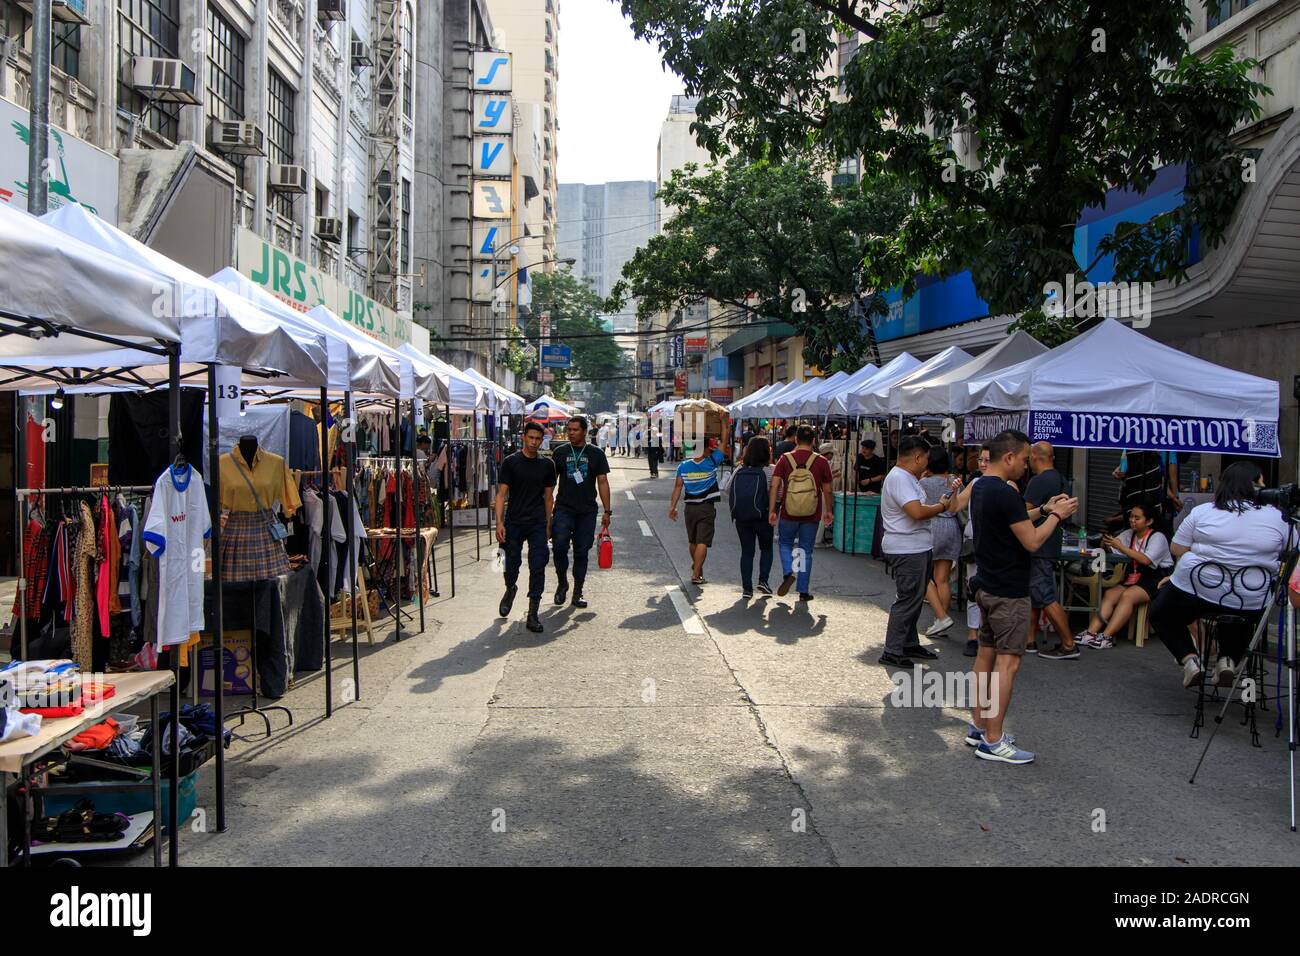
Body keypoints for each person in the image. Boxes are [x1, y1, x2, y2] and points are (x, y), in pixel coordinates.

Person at [968, 430, 1078, 764]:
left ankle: (979, 726)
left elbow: (1013, 521)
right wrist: (1056, 517)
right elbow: (1031, 541)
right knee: (1008, 662)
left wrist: (1043, 508)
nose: (1027, 466)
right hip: (1009, 592)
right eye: (1025, 458)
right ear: (1010, 457)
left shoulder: (982, 486)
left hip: (986, 585)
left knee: (985, 657)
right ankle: (994, 739)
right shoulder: (1006, 492)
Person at [1150, 461, 1291, 689]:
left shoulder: (1203, 511)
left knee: (1160, 613)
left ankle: (1189, 660)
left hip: (1198, 589)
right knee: (1239, 610)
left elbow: (1177, 549)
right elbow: (1292, 551)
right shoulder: (1279, 518)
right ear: (1253, 486)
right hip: (1250, 596)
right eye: (1262, 482)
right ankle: (1228, 660)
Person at [878, 436, 962, 667]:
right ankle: (893, 649)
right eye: (925, 458)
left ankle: (908, 643)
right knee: (907, 599)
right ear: (917, 457)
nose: (927, 463)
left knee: (914, 599)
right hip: (906, 547)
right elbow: (916, 512)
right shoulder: (899, 479)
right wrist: (941, 506)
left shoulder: (908, 478)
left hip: (918, 545)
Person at [1075, 500, 1172, 648]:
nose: (1132, 521)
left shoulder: (1158, 537)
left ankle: (1106, 637)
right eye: (1131, 517)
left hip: (1157, 579)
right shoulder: (1129, 534)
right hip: (1134, 575)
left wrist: (1120, 547)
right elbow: (1115, 547)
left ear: (1149, 521)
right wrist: (1107, 544)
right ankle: (1091, 633)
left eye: (1137, 518)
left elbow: (1146, 560)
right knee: (1111, 594)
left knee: (1128, 596)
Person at [495, 421, 556, 633]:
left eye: (538, 439)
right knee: (509, 564)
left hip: (538, 523)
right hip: (514, 522)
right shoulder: (511, 462)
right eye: (531, 438)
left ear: (542, 440)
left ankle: (532, 613)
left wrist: (549, 524)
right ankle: (510, 588)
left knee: (538, 565)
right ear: (524, 437)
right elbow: (501, 495)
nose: (534, 442)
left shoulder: (548, 465)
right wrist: (499, 522)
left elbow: (549, 498)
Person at [1023, 441, 1081, 660]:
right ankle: (1030, 639)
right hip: (1052, 540)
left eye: (1028, 457)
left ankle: (1068, 643)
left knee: (1045, 594)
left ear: (1035, 457)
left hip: (1038, 543)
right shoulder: (1061, 479)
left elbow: (1025, 513)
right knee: (1036, 592)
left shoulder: (1038, 482)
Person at [550, 416, 611, 610]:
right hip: (563, 508)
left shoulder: (596, 454)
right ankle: (562, 583)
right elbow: (550, 485)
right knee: (559, 547)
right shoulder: (559, 453)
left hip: (587, 511)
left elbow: (602, 482)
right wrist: (546, 513)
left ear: (584, 431)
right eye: (569, 429)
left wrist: (607, 511)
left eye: (575, 430)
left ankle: (578, 591)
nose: (571, 433)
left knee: (581, 551)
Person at [768, 426, 834, 601]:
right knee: (805, 550)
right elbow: (827, 490)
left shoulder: (785, 459)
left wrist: (772, 509)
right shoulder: (821, 461)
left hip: (789, 511)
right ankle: (803, 591)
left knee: (785, 543)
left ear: (796, 440)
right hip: (811, 513)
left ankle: (789, 571)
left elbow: (775, 485)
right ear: (814, 440)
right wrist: (829, 511)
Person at [669, 439, 725, 585]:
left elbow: (677, 487)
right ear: (704, 449)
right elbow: (724, 442)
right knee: (702, 542)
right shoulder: (711, 462)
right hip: (706, 508)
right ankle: (696, 574)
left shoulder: (683, 466)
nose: (710, 451)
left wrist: (672, 507)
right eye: (708, 448)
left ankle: (697, 568)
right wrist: (725, 424)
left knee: (693, 541)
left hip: (690, 509)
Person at [920, 446, 962, 636]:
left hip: (932, 526)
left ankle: (941, 618)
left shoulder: (924, 482)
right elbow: (956, 508)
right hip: (951, 528)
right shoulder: (954, 481)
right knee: (942, 579)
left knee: (923, 575)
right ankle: (941, 619)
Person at [729, 436, 774, 598]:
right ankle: (763, 581)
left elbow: (728, 488)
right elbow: (779, 493)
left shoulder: (739, 470)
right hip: (764, 516)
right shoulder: (771, 471)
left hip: (742, 516)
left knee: (747, 552)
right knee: (766, 548)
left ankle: (747, 588)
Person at [817, 441, 842, 545]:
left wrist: (834, 473)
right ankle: (817, 539)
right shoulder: (824, 462)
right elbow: (825, 480)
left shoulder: (817, 460)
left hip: (818, 492)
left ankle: (817, 538)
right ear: (828, 454)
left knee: (819, 517)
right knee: (822, 517)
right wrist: (835, 476)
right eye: (832, 454)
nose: (832, 456)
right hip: (822, 492)